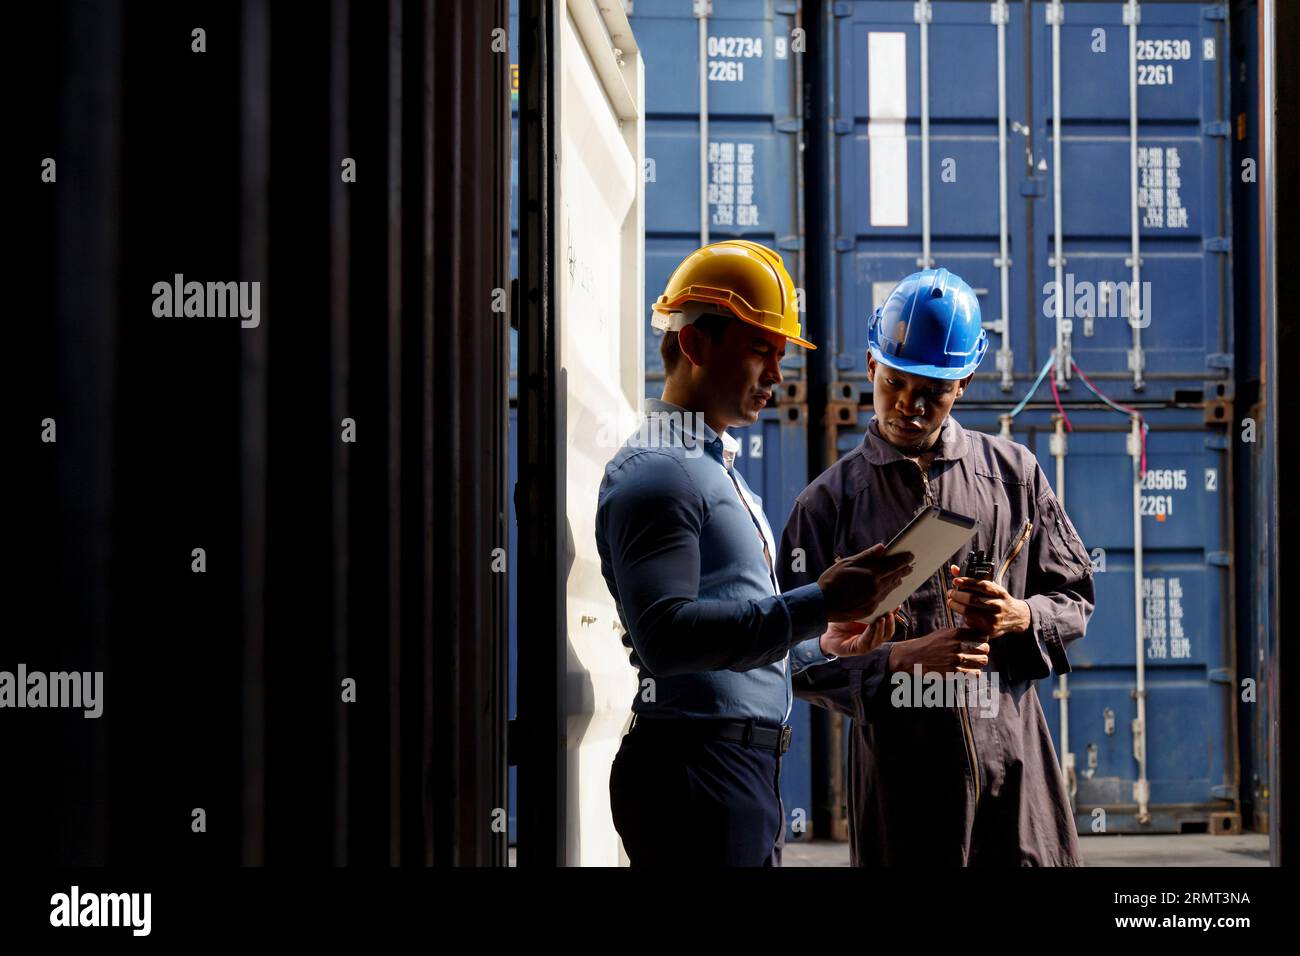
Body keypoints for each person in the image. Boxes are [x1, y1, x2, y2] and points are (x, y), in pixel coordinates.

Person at [595, 240, 912, 867]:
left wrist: (825, 638)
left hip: (733, 768)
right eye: (760, 350)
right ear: (694, 345)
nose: (777, 374)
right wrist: (818, 601)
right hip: (698, 768)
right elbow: (667, 637)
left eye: (782, 355)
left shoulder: (712, 469)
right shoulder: (662, 474)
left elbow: (732, 640)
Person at [780, 267, 1095, 866]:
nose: (911, 405)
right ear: (871, 367)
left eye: (934, 389)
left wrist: (1019, 616)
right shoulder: (826, 506)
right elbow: (785, 659)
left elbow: (1075, 595)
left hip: (1014, 769)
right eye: (896, 382)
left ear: (965, 382)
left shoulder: (1014, 474)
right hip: (901, 788)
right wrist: (896, 661)